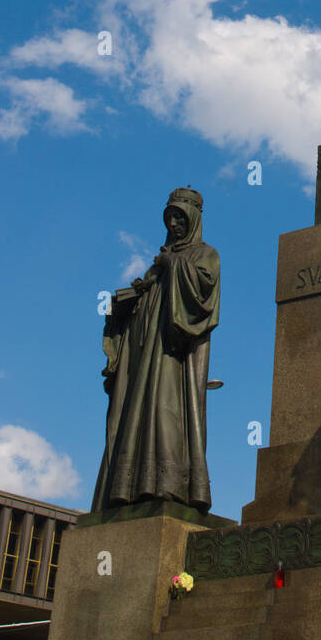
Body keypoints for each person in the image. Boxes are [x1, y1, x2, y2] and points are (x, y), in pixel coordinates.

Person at [92, 186, 220, 513]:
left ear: (194, 219)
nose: (174, 223)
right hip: (143, 355)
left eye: (181, 216)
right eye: (170, 217)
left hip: (171, 357)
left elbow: (202, 298)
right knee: (132, 417)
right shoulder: (158, 264)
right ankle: (128, 488)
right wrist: (131, 301)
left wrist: (172, 264)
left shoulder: (204, 255)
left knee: (167, 413)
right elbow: (148, 305)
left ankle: (168, 483)